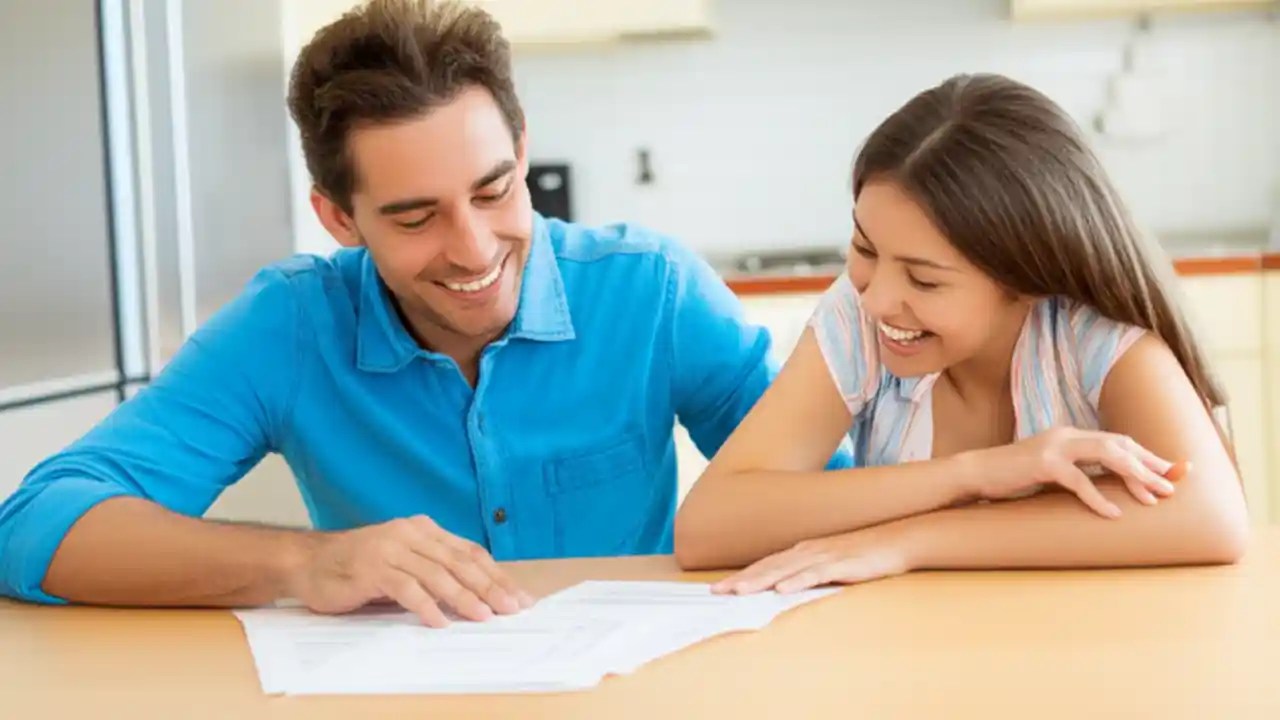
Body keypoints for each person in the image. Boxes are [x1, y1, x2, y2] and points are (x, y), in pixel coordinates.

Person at [0, 0, 838, 626]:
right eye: (413, 217)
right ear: (338, 218)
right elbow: (35, 526)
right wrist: (304, 561)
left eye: (494, 190)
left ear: (521, 153)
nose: (473, 249)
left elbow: (828, 498)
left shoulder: (651, 293)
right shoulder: (290, 326)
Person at [674, 73, 1249, 593]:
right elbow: (709, 526)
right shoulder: (857, 315)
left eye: (924, 280)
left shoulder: (1094, 337)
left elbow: (1211, 516)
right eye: (864, 249)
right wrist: (972, 475)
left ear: (1025, 279)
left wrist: (907, 541)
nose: (876, 298)